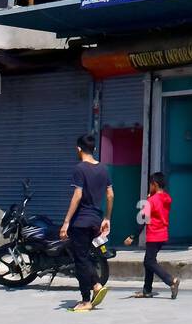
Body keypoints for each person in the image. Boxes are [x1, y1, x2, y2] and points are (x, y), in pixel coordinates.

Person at [60, 134, 112, 312]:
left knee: (80, 260)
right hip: (96, 221)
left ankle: (86, 300)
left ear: (79, 149)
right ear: (95, 149)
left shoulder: (79, 168)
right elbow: (110, 195)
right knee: (86, 258)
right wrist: (107, 218)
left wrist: (66, 222)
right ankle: (97, 285)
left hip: (80, 221)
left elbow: (77, 195)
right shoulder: (104, 169)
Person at [123, 172, 180, 300]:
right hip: (163, 234)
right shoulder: (167, 198)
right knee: (149, 261)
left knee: (149, 261)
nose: (149, 187)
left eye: (150, 184)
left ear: (154, 184)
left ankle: (171, 281)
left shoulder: (151, 201)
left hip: (154, 235)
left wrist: (132, 236)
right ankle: (147, 290)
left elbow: (143, 220)